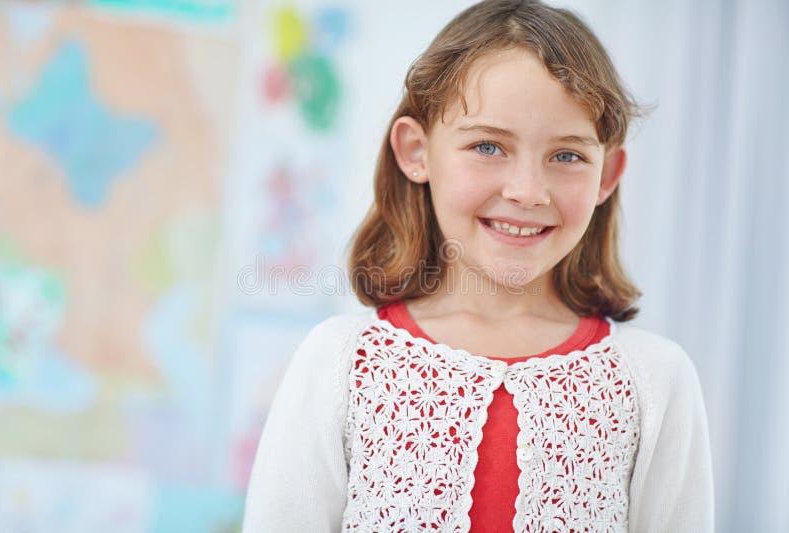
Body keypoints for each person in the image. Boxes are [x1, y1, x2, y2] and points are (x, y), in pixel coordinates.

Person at [241, 0, 714, 531]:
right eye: (488, 146)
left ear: (607, 175)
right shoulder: (339, 365)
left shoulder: (655, 382)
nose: (527, 191)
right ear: (416, 151)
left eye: (567, 156)